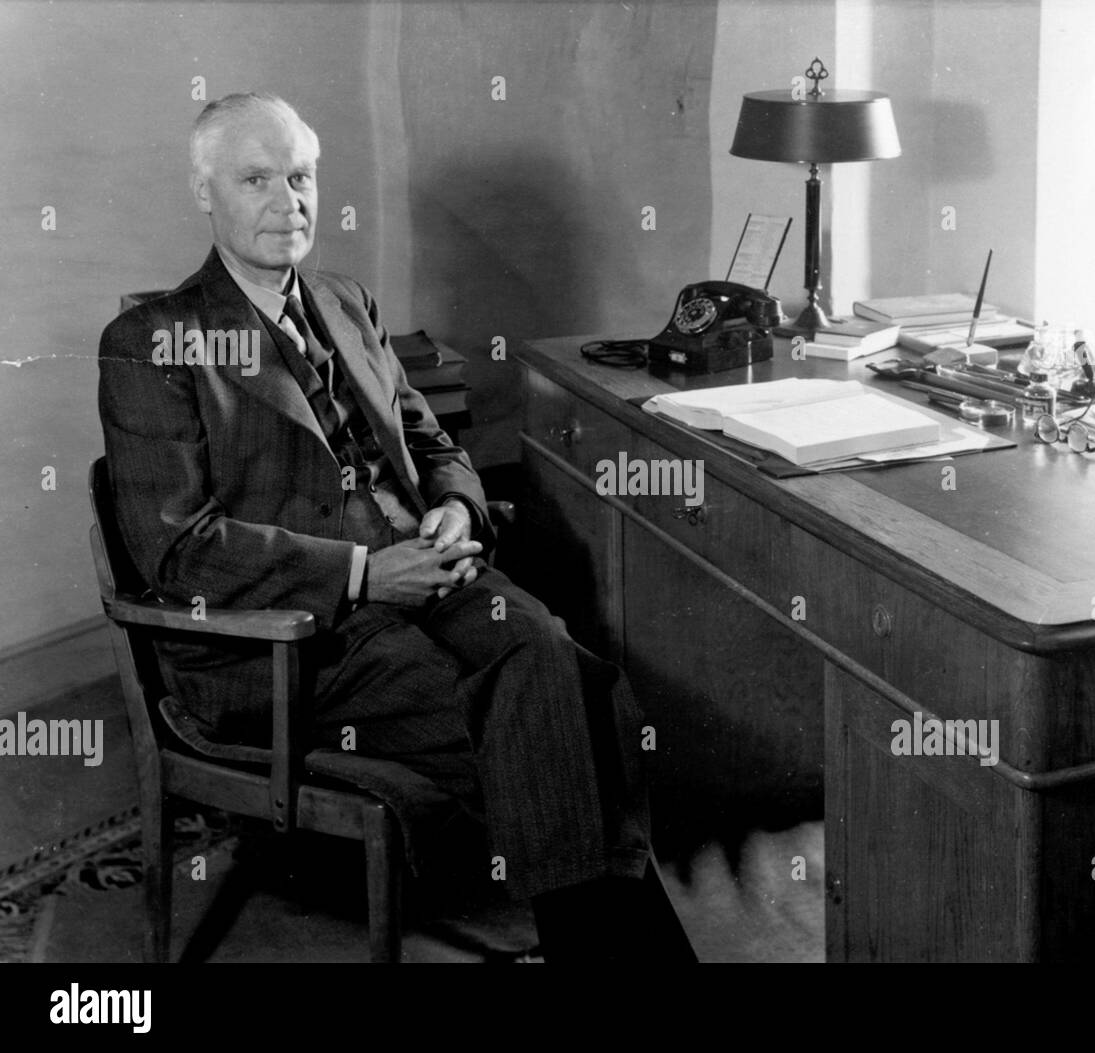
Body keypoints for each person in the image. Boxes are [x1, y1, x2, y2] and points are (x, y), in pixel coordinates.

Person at [97, 92, 694, 962]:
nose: (288, 203)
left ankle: (594, 945)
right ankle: (615, 953)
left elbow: (431, 439)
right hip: (285, 637)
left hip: (427, 572)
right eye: (256, 180)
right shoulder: (155, 339)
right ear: (204, 192)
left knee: (558, 665)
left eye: (299, 178)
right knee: (561, 704)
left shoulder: (346, 301)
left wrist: (456, 504)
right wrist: (367, 577)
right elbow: (178, 548)